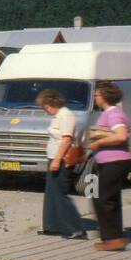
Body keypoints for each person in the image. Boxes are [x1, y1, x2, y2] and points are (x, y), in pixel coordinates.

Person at [85, 81, 131, 252]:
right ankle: (115, 236)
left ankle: (112, 239)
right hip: (111, 162)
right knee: (109, 198)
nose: (95, 98)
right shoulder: (111, 113)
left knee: (103, 198)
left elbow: (121, 136)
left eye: (96, 95)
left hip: (115, 162)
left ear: (104, 96)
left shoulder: (113, 114)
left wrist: (99, 144)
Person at [37, 89, 85, 238]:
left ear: (51, 103)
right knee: (51, 192)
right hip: (54, 157)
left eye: (44, 107)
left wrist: (57, 160)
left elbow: (66, 139)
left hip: (62, 159)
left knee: (60, 194)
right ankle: (52, 225)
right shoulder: (58, 115)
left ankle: (75, 228)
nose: (44, 110)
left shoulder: (65, 115)